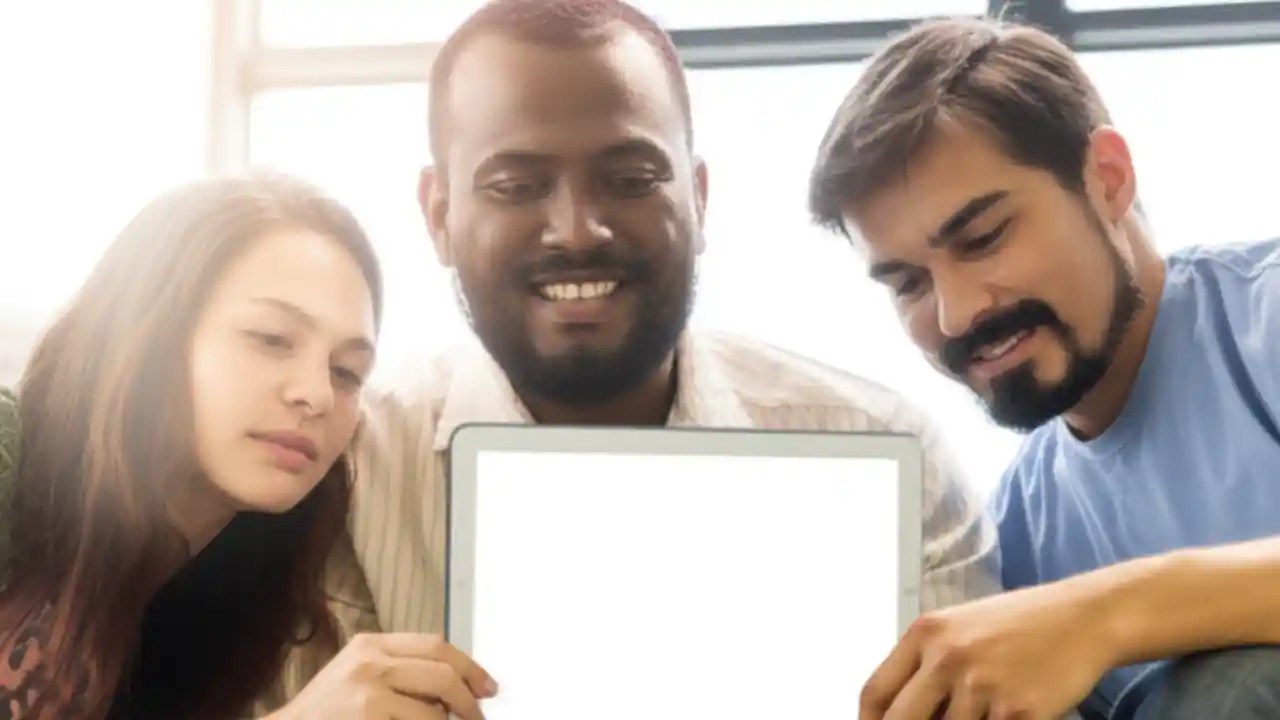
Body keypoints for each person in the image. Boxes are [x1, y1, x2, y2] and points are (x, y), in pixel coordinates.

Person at [344, 0, 1000, 666]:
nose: (577, 231)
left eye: (632, 180)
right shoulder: (347, 472)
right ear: (439, 216)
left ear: (699, 199)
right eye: (515, 185)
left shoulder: (893, 460)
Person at [809, 16, 1280, 720]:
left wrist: (1101, 616)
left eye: (984, 237)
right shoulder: (1019, 537)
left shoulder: (1264, 321)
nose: (956, 314)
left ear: (1108, 180)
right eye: (909, 283)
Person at [0, 175, 497, 719]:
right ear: (145, 330)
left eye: (347, 372)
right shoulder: (9, 454)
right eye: (271, 339)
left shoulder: (254, 594)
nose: (316, 394)